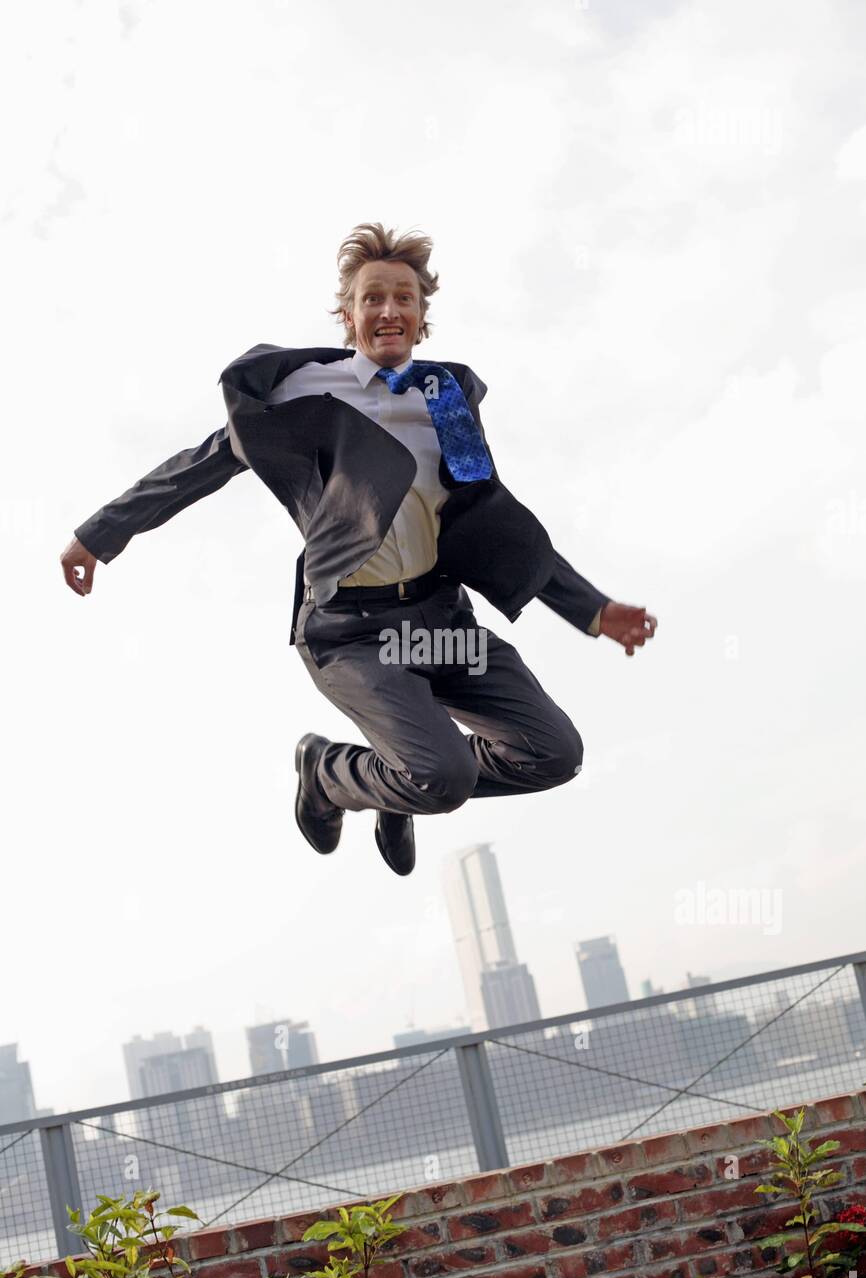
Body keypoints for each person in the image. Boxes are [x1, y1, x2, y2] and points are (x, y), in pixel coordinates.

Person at [61, 222, 657, 876]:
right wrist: (100, 532)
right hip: (352, 634)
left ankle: (397, 776)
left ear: (423, 317)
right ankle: (329, 773)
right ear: (347, 313)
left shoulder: (445, 403)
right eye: (373, 297)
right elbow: (202, 463)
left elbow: (495, 521)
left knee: (552, 753)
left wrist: (595, 611)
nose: (389, 309)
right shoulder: (304, 393)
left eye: (404, 297)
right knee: (444, 777)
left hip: (439, 624)